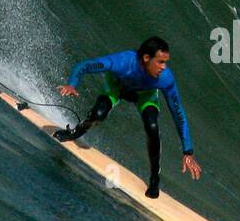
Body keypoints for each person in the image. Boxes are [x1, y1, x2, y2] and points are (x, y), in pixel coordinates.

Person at [55, 36, 201, 198]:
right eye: (160, 62)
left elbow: (178, 112)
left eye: (165, 62)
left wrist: (188, 150)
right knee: (98, 114)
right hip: (117, 86)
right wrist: (72, 84)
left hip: (145, 95)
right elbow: (86, 65)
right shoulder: (123, 62)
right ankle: (74, 133)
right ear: (146, 58)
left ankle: (154, 178)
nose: (163, 67)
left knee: (152, 125)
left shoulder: (165, 78)